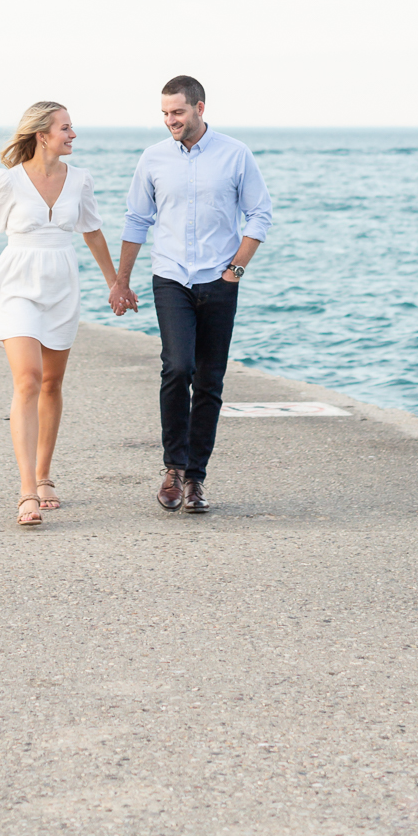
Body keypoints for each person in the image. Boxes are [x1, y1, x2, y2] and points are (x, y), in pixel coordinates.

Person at [108, 75, 272, 513]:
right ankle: (173, 468)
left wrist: (236, 269)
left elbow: (260, 214)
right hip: (172, 277)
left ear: (200, 107)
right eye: (164, 113)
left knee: (210, 380)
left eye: (177, 112)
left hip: (219, 279)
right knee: (177, 367)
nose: (170, 121)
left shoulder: (235, 155)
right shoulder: (153, 159)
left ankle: (196, 479)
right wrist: (121, 281)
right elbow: (136, 220)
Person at [0, 101, 122, 526]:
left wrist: (115, 283)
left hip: (61, 284)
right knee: (28, 378)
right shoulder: (9, 182)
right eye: (66, 128)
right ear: (42, 134)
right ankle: (26, 491)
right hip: (16, 284)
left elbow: (92, 233)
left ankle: (45, 474)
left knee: (52, 382)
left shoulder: (80, 181)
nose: (73, 135)